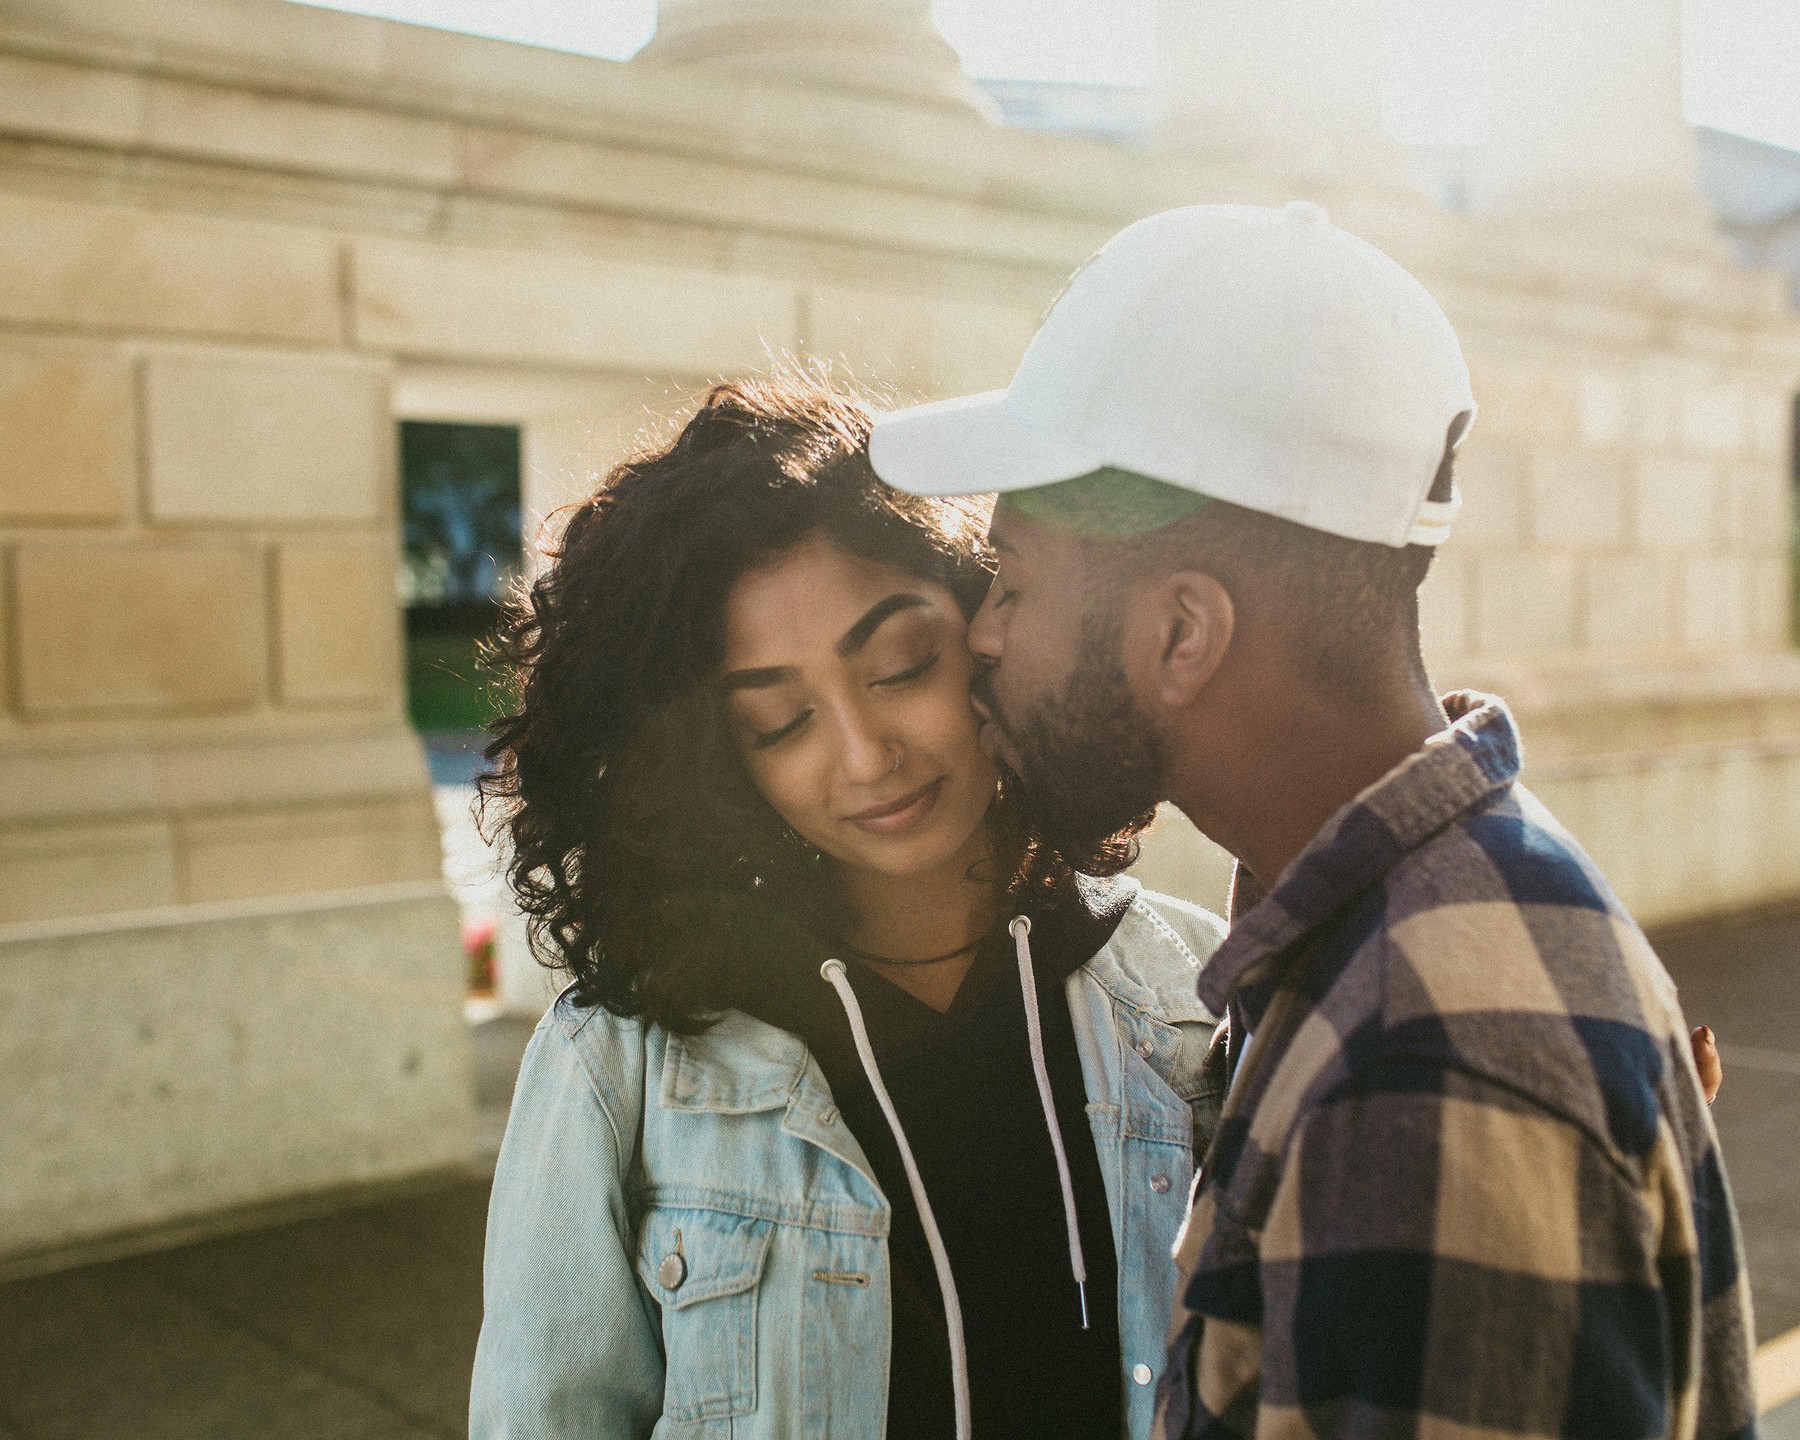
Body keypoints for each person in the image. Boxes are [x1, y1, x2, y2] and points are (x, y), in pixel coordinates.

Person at [867, 202, 1756, 1440]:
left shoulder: (1422, 1077)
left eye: (1011, 582)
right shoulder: (1413, 932)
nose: (981, 637)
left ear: (1183, 633)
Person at [467, 375, 1228, 1440]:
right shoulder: (623, 1067)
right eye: (780, 722)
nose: (868, 759)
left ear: (987, 626)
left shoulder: (1200, 999)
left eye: (900, 664)